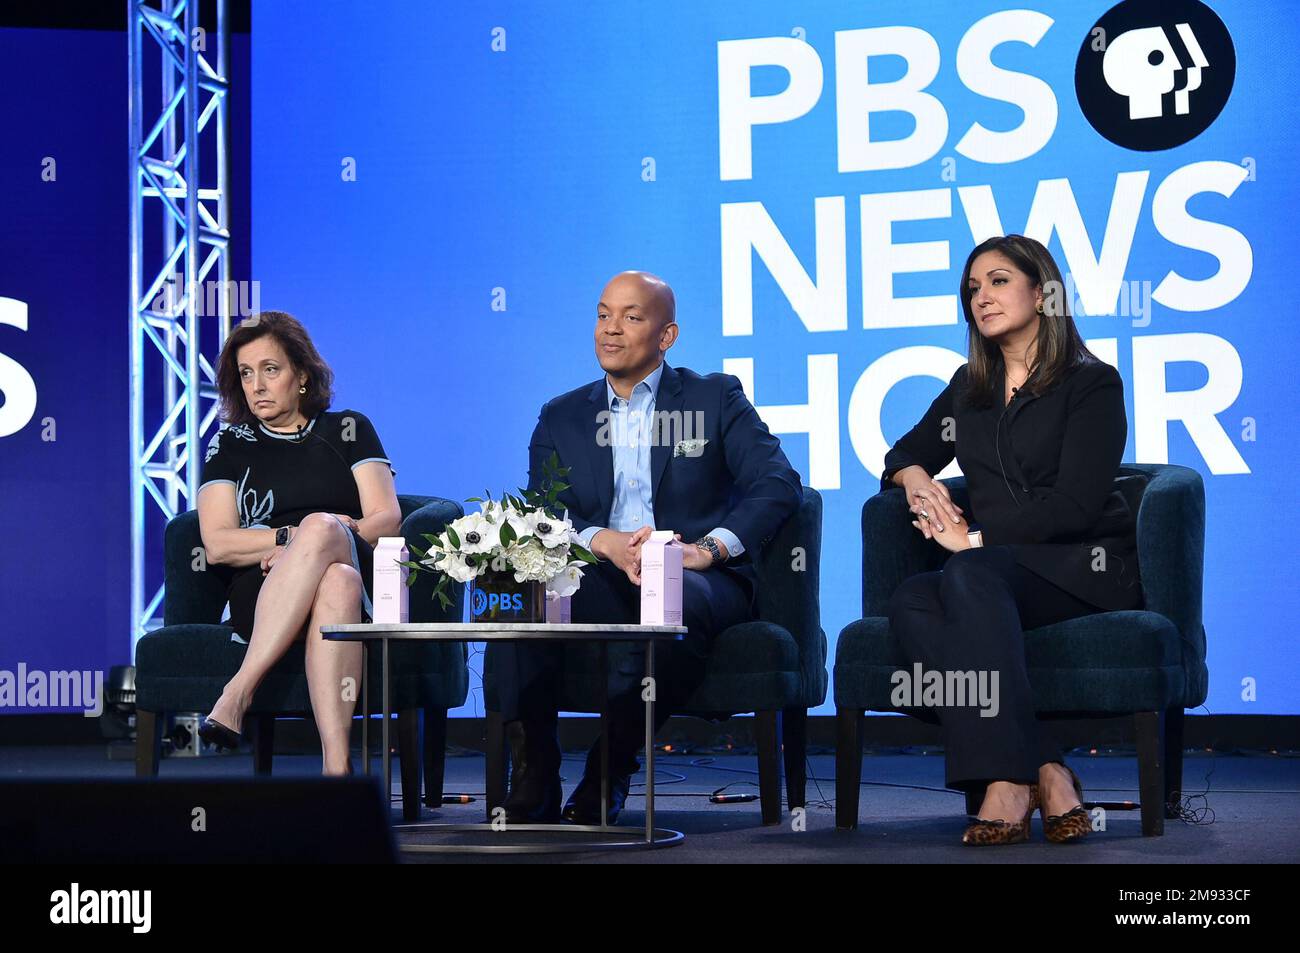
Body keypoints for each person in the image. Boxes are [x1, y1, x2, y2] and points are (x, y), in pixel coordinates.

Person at [496, 270, 803, 824]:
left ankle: (609, 769)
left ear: (667, 337)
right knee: (525, 592)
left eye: (631, 317)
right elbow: (542, 511)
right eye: (603, 314)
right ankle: (535, 775)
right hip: (597, 571)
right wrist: (604, 542)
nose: (610, 330)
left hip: (697, 576)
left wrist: (708, 549)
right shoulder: (561, 414)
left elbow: (777, 483)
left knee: (669, 596)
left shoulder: (714, 397)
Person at [882, 234, 1141, 845]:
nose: (982, 297)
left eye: (998, 281)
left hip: (1080, 567)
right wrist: (918, 479)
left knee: (966, 574)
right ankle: (1043, 768)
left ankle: (1001, 783)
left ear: (1041, 290)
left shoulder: (1091, 384)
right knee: (912, 600)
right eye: (973, 288)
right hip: (995, 572)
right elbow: (904, 454)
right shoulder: (969, 387)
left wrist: (972, 539)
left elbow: (1075, 507)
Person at [195, 311, 401, 776]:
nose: (257, 385)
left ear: (302, 374)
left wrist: (320, 533)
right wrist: (292, 540)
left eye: (271, 369)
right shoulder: (230, 444)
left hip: (359, 561)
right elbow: (218, 544)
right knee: (337, 581)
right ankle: (336, 768)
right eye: (246, 373)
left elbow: (386, 519)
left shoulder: (348, 429)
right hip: (264, 586)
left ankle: (238, 691)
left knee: (326, 536)